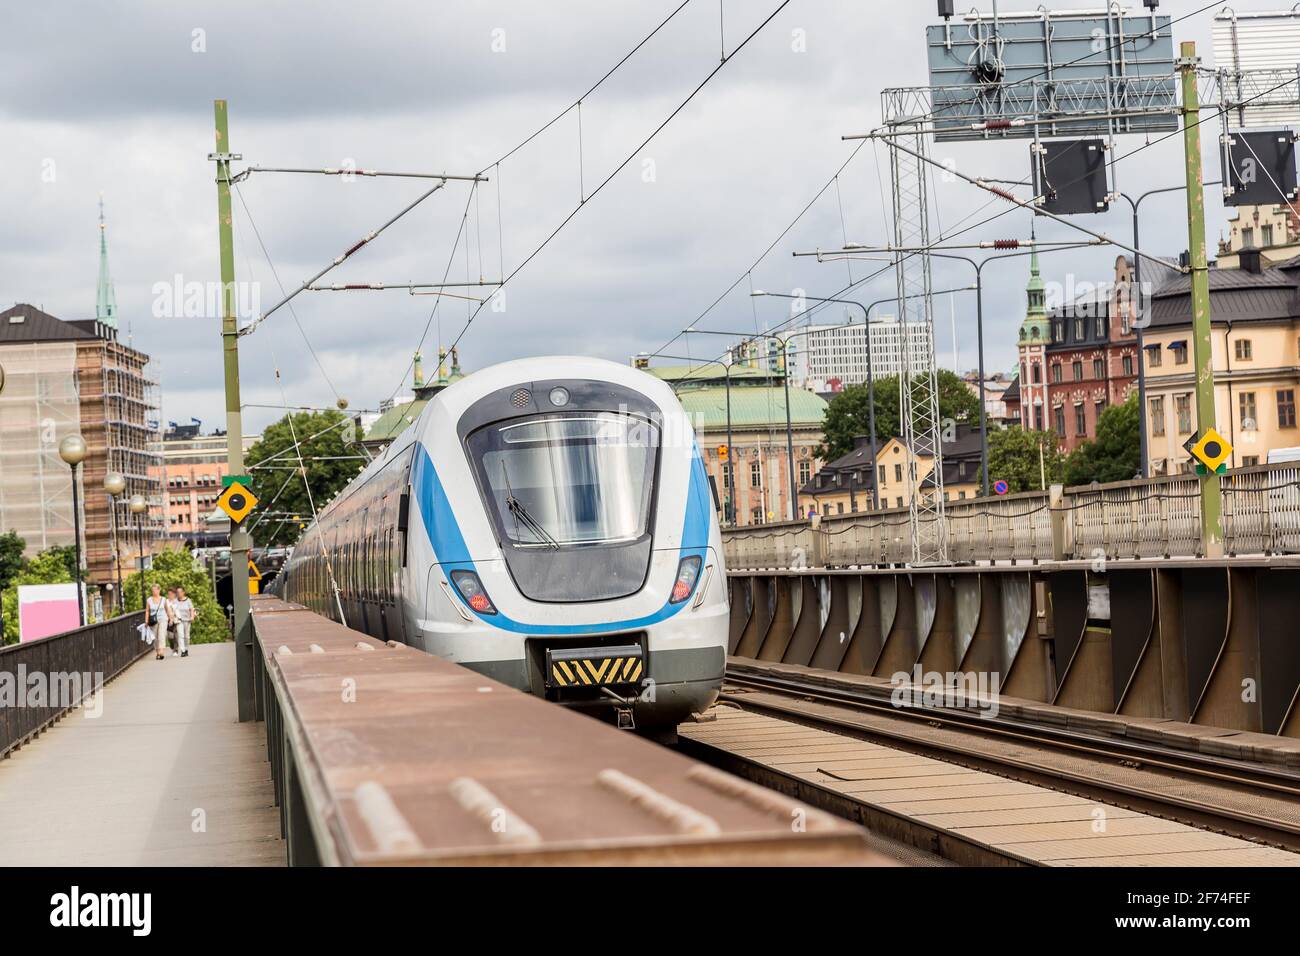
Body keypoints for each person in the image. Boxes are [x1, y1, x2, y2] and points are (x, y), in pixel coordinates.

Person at [146, 584, 169, 661]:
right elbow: (147, 611)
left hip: (163, 619)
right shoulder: (149, 600)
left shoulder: (163, 599)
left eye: (155, 590)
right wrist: (146, 621)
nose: (154, 592)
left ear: (159, 590)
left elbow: (167, 609)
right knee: (155, 637)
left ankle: (161, 652)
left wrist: (170, 618)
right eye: (153, 590)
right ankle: (157, 652)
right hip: (153, 620)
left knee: (161, 635)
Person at [173, 587, 195, 658]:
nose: (178, 594)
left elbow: (191, 609)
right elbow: (172, 609)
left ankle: (186, 649)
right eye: (177, 592)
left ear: (183, 592)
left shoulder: (188, 600)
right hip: (179, 620)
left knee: (187, 636)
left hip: (187, 620)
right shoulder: (175, 601)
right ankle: (183, 651)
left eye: (180, 592)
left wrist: (192, 617)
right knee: (180, 635)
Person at [165, 588, 179, 656]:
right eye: (168, 594)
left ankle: (175, 650)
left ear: (174, 594)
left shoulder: (177, 601)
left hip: (176, 620)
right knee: (170, 636)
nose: (169, 595)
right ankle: (172, 646)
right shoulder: (166, 601)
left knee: (176, 636)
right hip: (167, 620)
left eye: (171, 594)